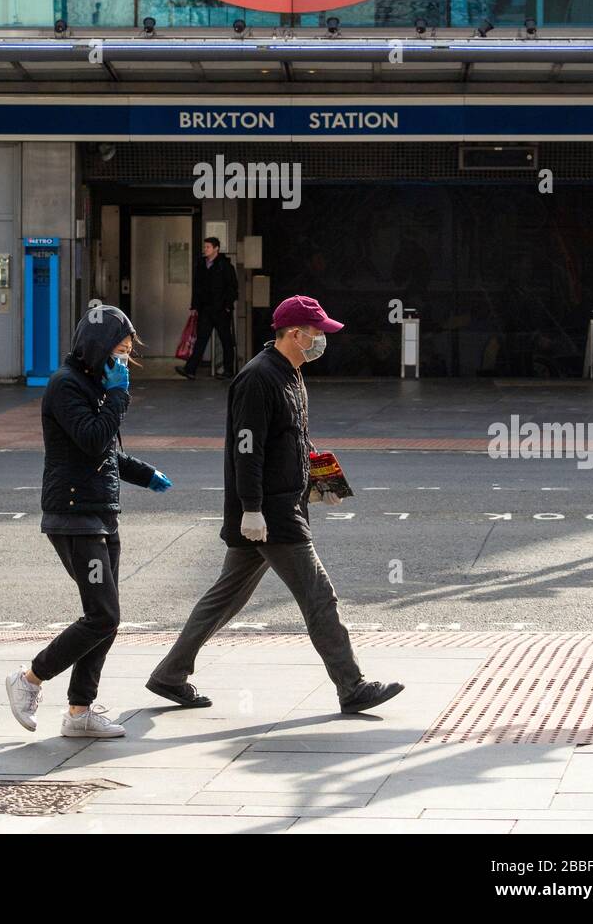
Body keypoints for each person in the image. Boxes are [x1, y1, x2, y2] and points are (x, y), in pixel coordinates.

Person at [149, 295, 404, 715]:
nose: (322, 339)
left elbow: (296, 440)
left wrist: (323, 481)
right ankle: (352, 686)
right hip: (271, 513)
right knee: (319, 595)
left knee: (224, 598)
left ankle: (169, 675)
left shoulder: (291, 373)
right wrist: (251, 509)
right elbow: (247, 451)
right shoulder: (258, 378)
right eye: (317, 332)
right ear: (294, 333)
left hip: (284, 506)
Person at [6, 304, 173, 738]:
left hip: (101, 514)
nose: (124, 359)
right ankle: (28, 680)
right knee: (102, 615)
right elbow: (92, 438)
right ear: (96, 347)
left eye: (128, 352)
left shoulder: (95, 383)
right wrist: (117, 395)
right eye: (118, 350)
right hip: (75, 516)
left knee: (104, 617)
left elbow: (107, 453)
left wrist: (143, 474)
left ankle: (80, 712)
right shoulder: (66, 386)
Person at [176, 236, 238, 380]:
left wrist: (228, 306)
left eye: (208, 247)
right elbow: (197, 288)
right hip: (206, 310)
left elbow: (232, 288)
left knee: (226, 340)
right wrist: (194, 306)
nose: (205, 250)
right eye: (205, 247)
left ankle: (228, 370)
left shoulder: (225, 266)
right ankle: (190, 369)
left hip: (221, 310)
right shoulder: (201, 265)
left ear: (216, 248)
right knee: (201, 339)